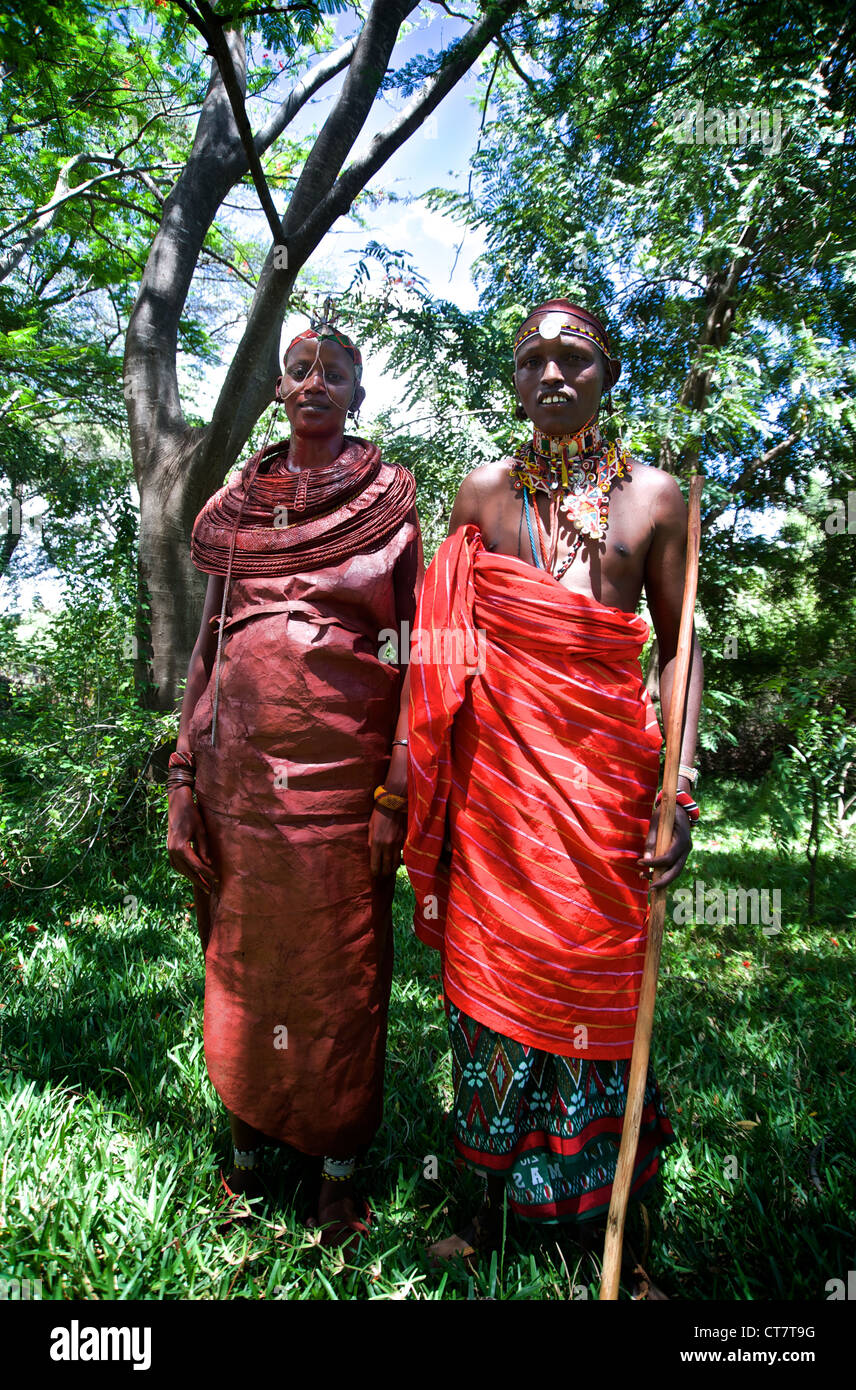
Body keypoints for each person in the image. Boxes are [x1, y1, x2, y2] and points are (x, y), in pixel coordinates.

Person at [404, 299, 703, 1292]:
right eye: (530, 357)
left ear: (607, 371)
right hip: (499, 789)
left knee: (600, 991)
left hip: (609, 788)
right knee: (490, 1004)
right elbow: (443, 636)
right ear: (516, 380)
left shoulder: (658, 497)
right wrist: (421, 766)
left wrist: (677, 788)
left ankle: (607, 1230)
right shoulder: (483, 493)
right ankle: (476, 1210)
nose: (550, 370)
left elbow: (678, 646)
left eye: (572, 354)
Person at [166, 315, 423, 1244]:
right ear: (280, 387)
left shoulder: (390, 502)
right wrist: (182, 776)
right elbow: (206, 646)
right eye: (299, 368)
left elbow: (415, 650)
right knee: (242, 966)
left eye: (337, 372)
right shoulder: (235, 512)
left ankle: (336, 1176)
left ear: (358, 393)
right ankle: (245, 1145)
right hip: (236, 786)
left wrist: (397, 790)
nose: (315, 382)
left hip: (342, 786)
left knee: (338, 973)